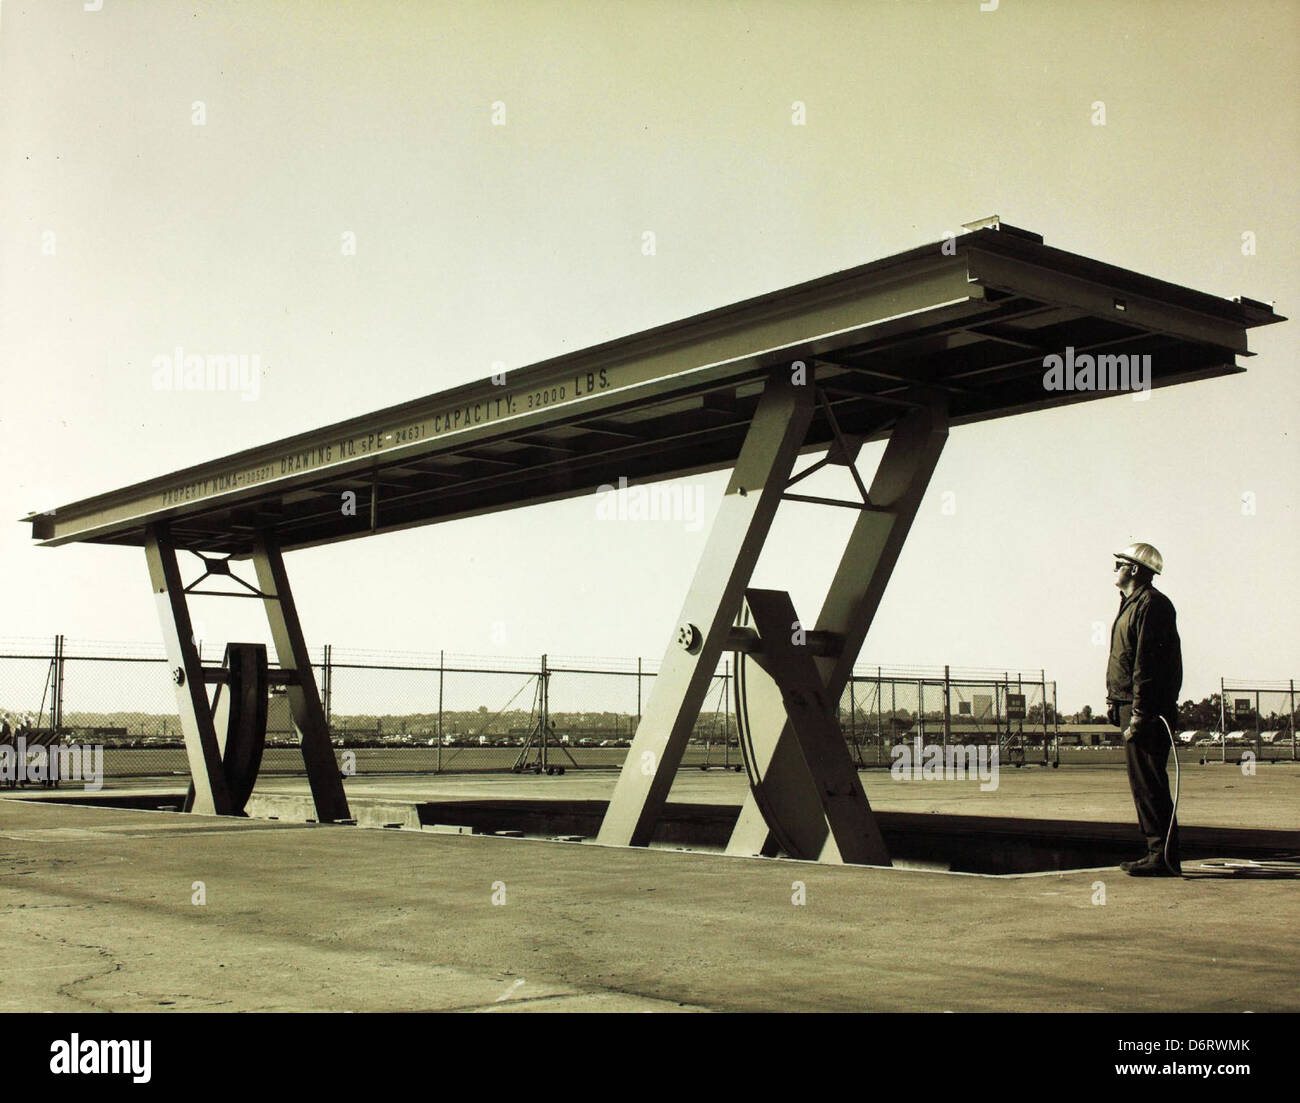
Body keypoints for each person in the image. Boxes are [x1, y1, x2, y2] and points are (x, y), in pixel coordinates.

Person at [1106, 542, 1182, 877]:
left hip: (1147, 709)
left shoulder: (1152, 604)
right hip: (1131, 704)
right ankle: (1157, 852)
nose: (1115, 569)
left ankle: (1161, 855)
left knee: (1150, 782)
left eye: (1119, 564)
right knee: (1143, 783)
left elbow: (1146, 663)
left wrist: (1139, 712)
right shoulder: (1131, 604)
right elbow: (1124, 658)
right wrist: (1114, 700)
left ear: (1135, 569)